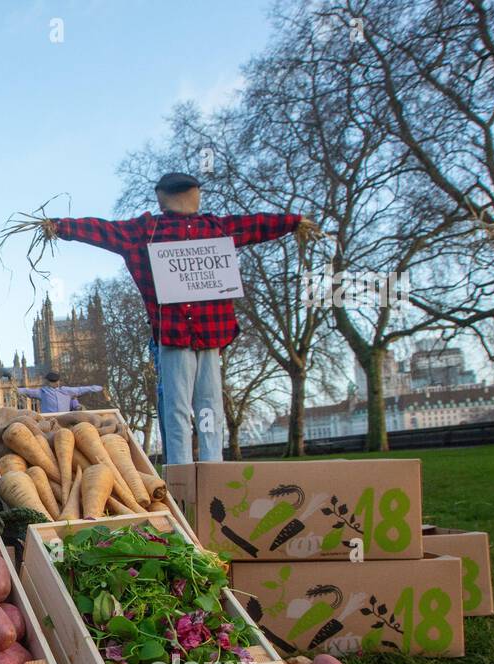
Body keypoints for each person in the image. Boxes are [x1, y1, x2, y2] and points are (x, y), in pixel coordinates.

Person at [40, 172, 320, 464]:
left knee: (194, 405)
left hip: (194, 335)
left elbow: (103, 230)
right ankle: (187, 470)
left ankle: (202, 467)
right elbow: (255, 225)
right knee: (195, 406)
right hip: (183, 335)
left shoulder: (162, 230)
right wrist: (294, 221)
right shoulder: (186, 229)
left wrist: (62, 226)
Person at [16, 371, 103, 413]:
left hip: (64, 419)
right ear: (49, 382)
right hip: (49, 420)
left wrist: (97, 388)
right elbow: (29, 391)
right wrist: (17, 390)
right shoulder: (43, 392)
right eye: (54, 382)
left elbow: (81, 389)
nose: (56, 383)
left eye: (57, 381)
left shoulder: (66, 390)